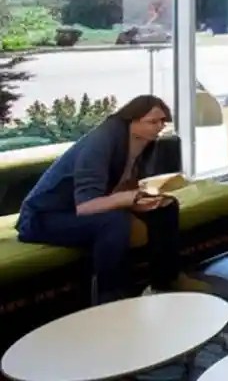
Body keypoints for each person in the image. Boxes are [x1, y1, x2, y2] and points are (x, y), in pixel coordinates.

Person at [16, 96, 206, 301]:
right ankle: (110, 296)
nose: (159, 127)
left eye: (162, 121)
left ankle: (168, 279)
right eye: (153, 122)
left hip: (86, 206)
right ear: (132, 120)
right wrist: (128, 199)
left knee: (165, 206)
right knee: (114, 222)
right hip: (44, 217)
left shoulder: (142, 142)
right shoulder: (100, 143)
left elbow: (123, 187)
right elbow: (85, 206)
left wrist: (139, 202)